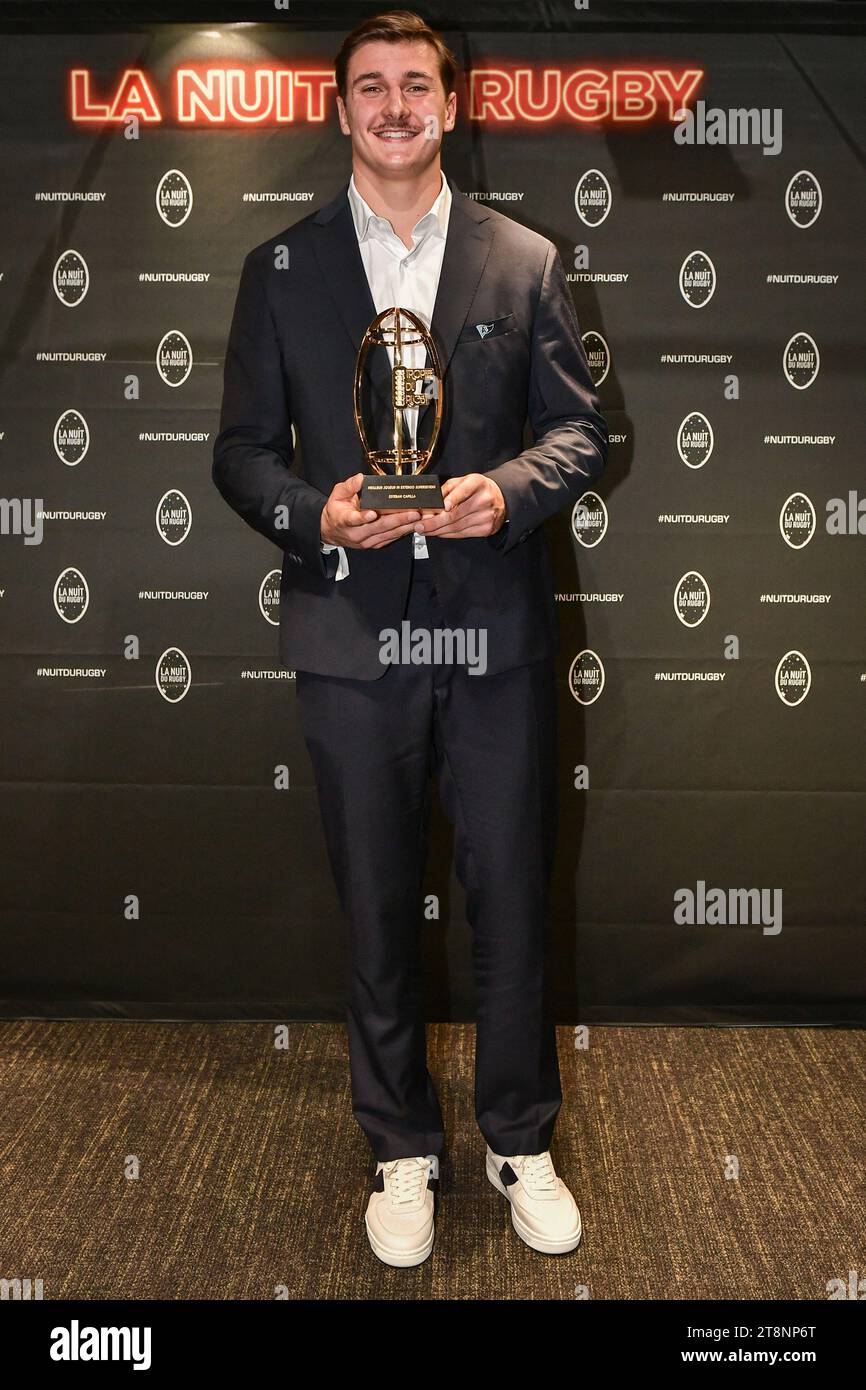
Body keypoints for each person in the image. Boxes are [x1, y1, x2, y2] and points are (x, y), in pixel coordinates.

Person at [213, 8, 608, 1268]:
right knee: (379, 907)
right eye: (370, 88)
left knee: (510, 899)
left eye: (416, 86)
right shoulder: (278, 271)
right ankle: (398, 1149)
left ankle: (517, 1136)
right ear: (341, 112)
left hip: (491, 640)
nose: (394, 106)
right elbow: (237, 454)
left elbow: (581, 433)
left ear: (450, 104)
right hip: (350, 638)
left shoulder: (523, 260)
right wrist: (309, 512)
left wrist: (509, 490)